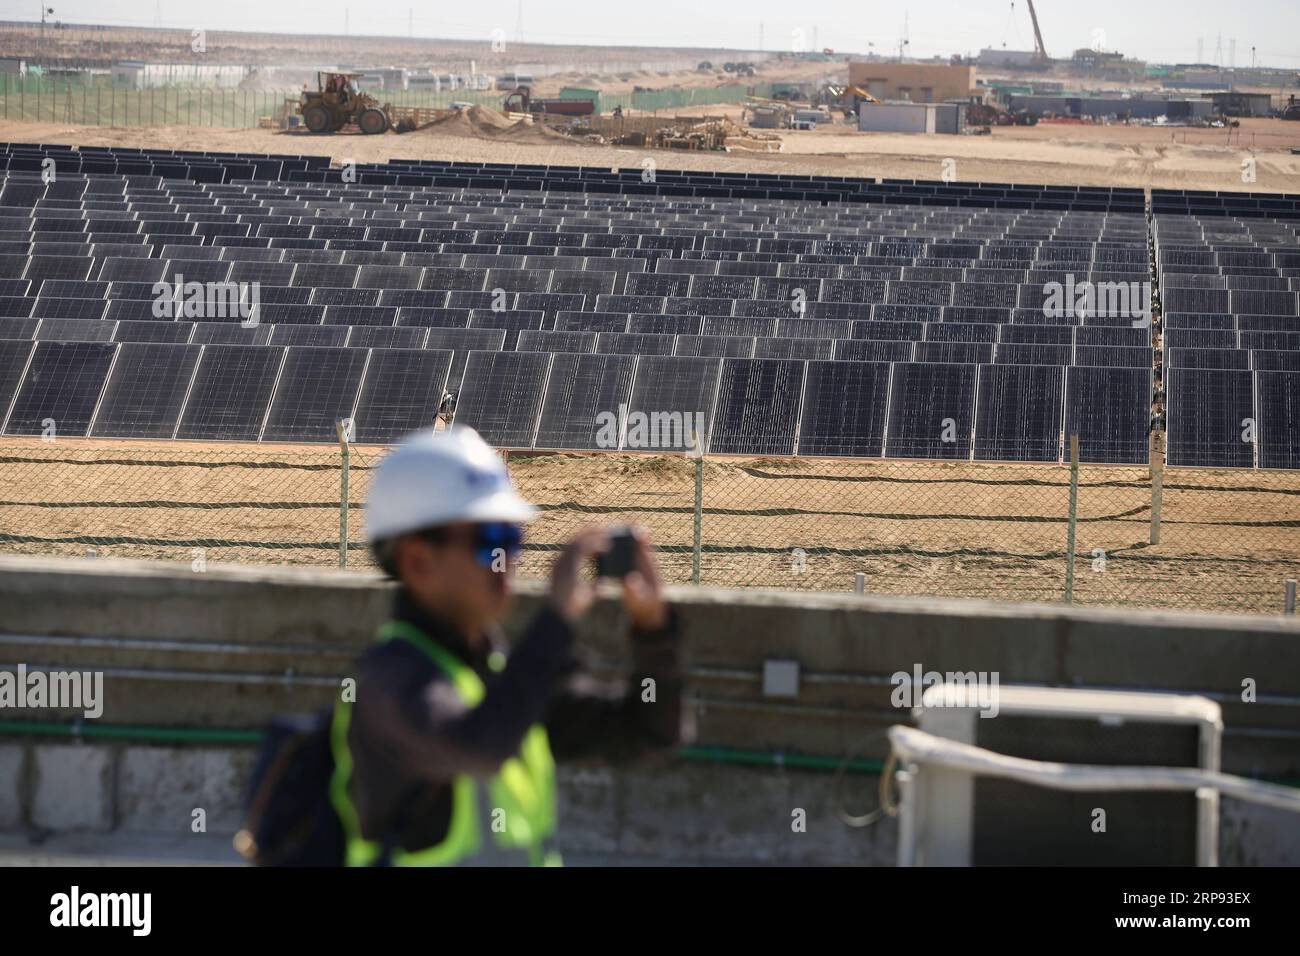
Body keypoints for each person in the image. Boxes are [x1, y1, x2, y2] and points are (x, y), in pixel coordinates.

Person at [330, 425, 688, 866]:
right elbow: (478, 745)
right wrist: (555, 620)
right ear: (418, 559)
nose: (507, 562)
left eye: (512, 539)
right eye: (489, 544)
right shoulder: (390, 682)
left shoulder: (505, 675)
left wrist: (653, 632)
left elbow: (649, 733)